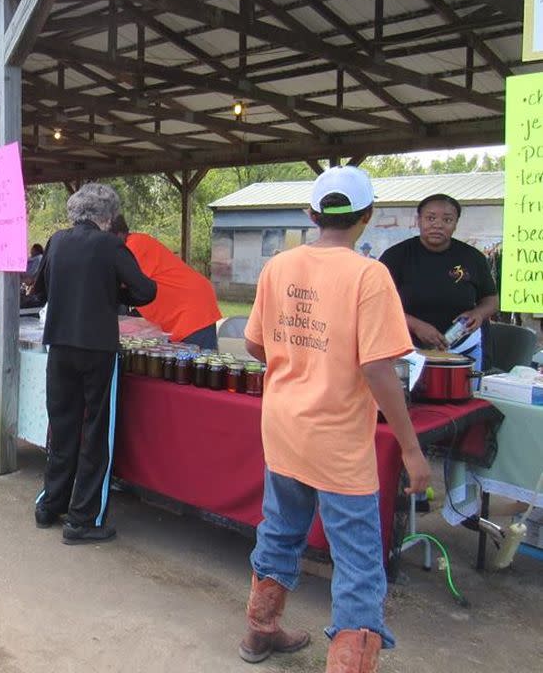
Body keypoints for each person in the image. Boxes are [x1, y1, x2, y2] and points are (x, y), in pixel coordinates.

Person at [239, 166, 430, 672]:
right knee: (359, 564)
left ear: (310, 215)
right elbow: (377, 366)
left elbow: (256, 344)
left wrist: (298, 362)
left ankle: (259, 632)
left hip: (283, 428)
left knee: (280, 530)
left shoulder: (278, 267)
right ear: (366, 217)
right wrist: (411, 448)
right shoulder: (369, 275)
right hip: (339, 443)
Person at [31, 183, 156, 544]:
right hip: (97, 348)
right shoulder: (110, 244)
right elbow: (146, 291)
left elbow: (40, 289)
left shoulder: (56, 241)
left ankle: (50, 504)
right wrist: (115, 292)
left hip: (59, 346)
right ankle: (83, 518)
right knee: (96, 432)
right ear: (107, 216)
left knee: (62, 427)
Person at [378, 194, 498, 369]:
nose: (438, 225)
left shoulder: (473, 257)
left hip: (463, 350)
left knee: (467, 395)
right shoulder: (396, 256)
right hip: (407, 350)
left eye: (447, 219)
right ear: (418, 220)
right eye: (430, 218)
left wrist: (478, 314)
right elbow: (378, 305)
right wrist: (415, 325)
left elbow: (491, 301)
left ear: (456, 223)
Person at [110, 215, 222, 348]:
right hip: (183, 309)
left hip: (193, 307)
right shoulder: (130, 245)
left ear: (118, 234)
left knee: (195, 363)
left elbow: (117, 282)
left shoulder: (134, 245)